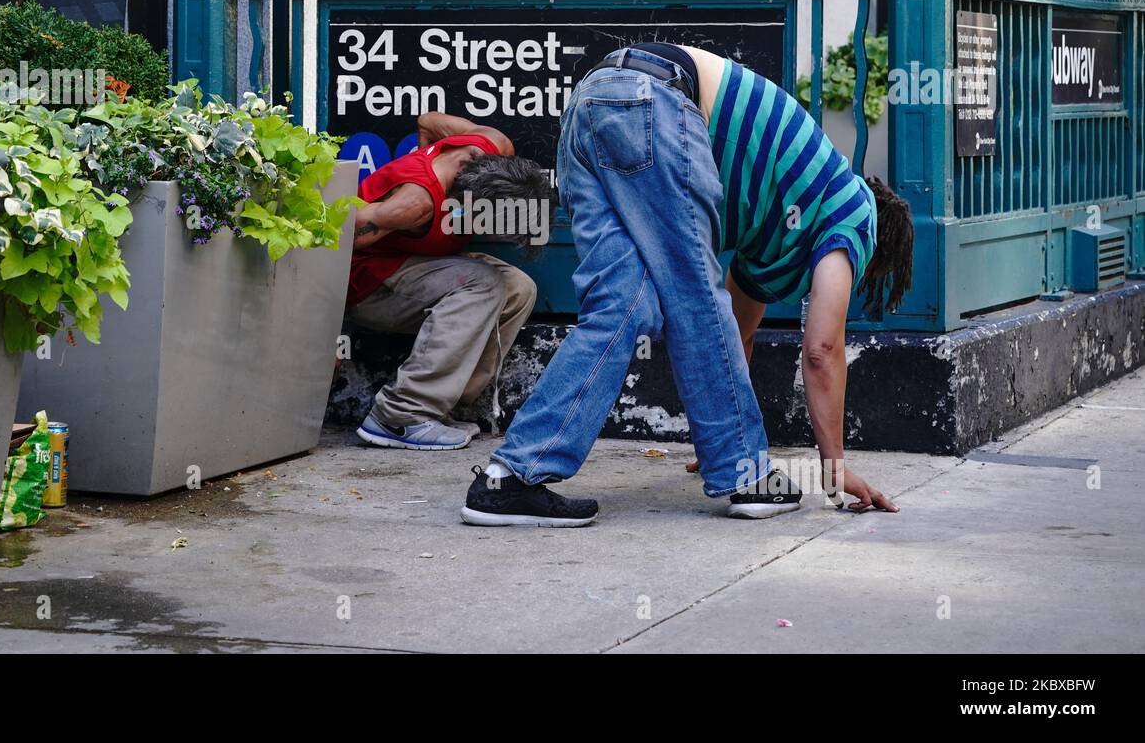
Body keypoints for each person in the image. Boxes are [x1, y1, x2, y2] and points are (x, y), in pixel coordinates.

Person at [460, 43, 914, 526]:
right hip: (653, 100)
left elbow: (733, 336)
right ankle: (746, 477)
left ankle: (509, 479)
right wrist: (833, 469)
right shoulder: (854, 212)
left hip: (594, 101)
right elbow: (822, 349)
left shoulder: (782, 217)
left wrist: (719, 436)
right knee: (694, 293)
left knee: (622, 308)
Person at [347, 111, 551, 451]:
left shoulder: (493, 144)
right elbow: (332, 242)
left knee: (518, 289)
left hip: (418, 263)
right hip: (370, 284)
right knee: (484, 283)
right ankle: (401, 414)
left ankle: (439, 405)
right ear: (468, 199)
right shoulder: (415, 204)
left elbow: (427, 121)